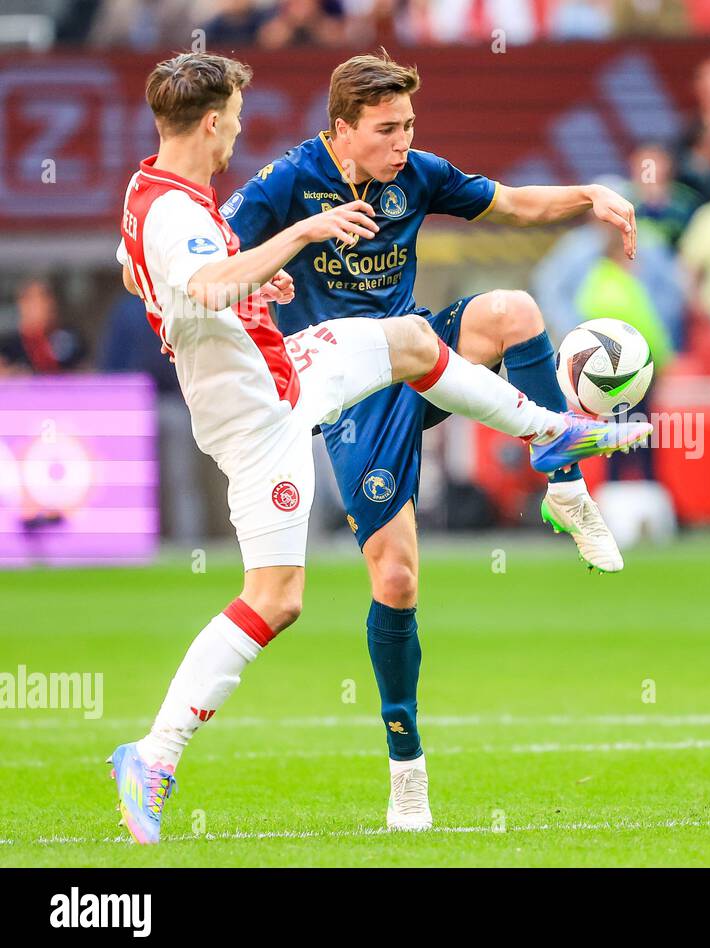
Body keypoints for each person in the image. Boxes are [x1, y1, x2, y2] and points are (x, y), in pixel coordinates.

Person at [107, 52, 651, 845]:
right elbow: (205, 284)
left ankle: (550, 437)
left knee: (410, 340)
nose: (240, 135)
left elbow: (145, 273)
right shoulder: (205, 207)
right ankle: (154, 756)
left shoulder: (151, 190)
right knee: (290, 596)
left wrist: (253, 283)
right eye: (235, 119)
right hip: (266, 415)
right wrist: (297, 238)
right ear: (216, 121)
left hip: (288, 372)